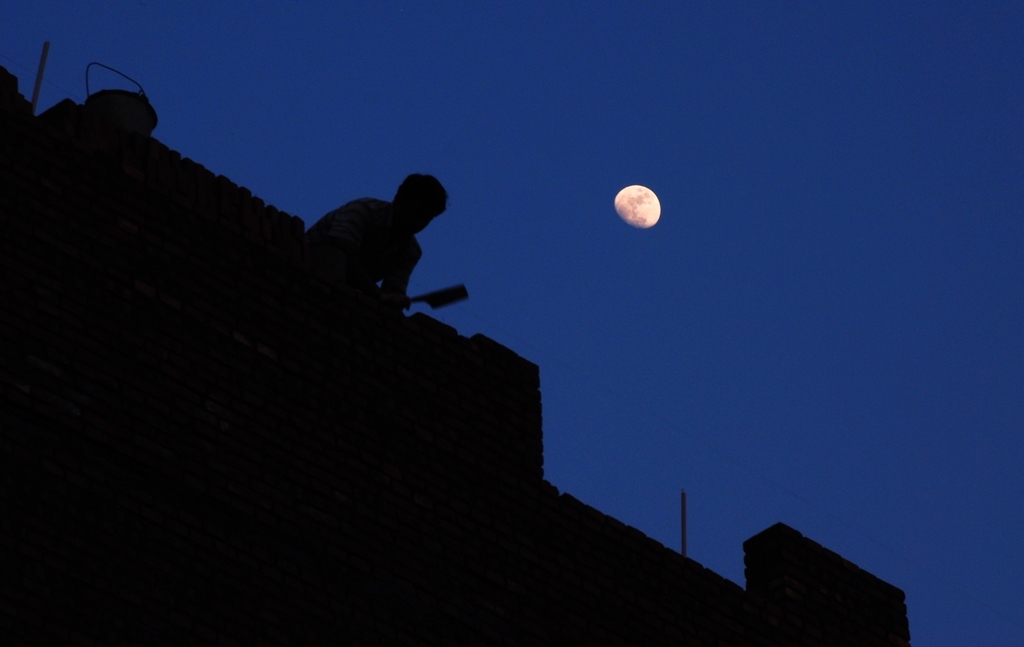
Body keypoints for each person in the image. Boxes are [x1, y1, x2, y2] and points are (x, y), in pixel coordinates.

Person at [305, 174, 448, 309]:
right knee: (333, 255)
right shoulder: (363, 210)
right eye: (416, 214)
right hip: (304, 268)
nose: (418, 223)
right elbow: (347, 254)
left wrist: (394, 300)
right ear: (400, 198)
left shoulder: (410, 251)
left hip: (343, 294)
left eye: (426, 219)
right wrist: (380, 296)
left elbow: (391, 293)